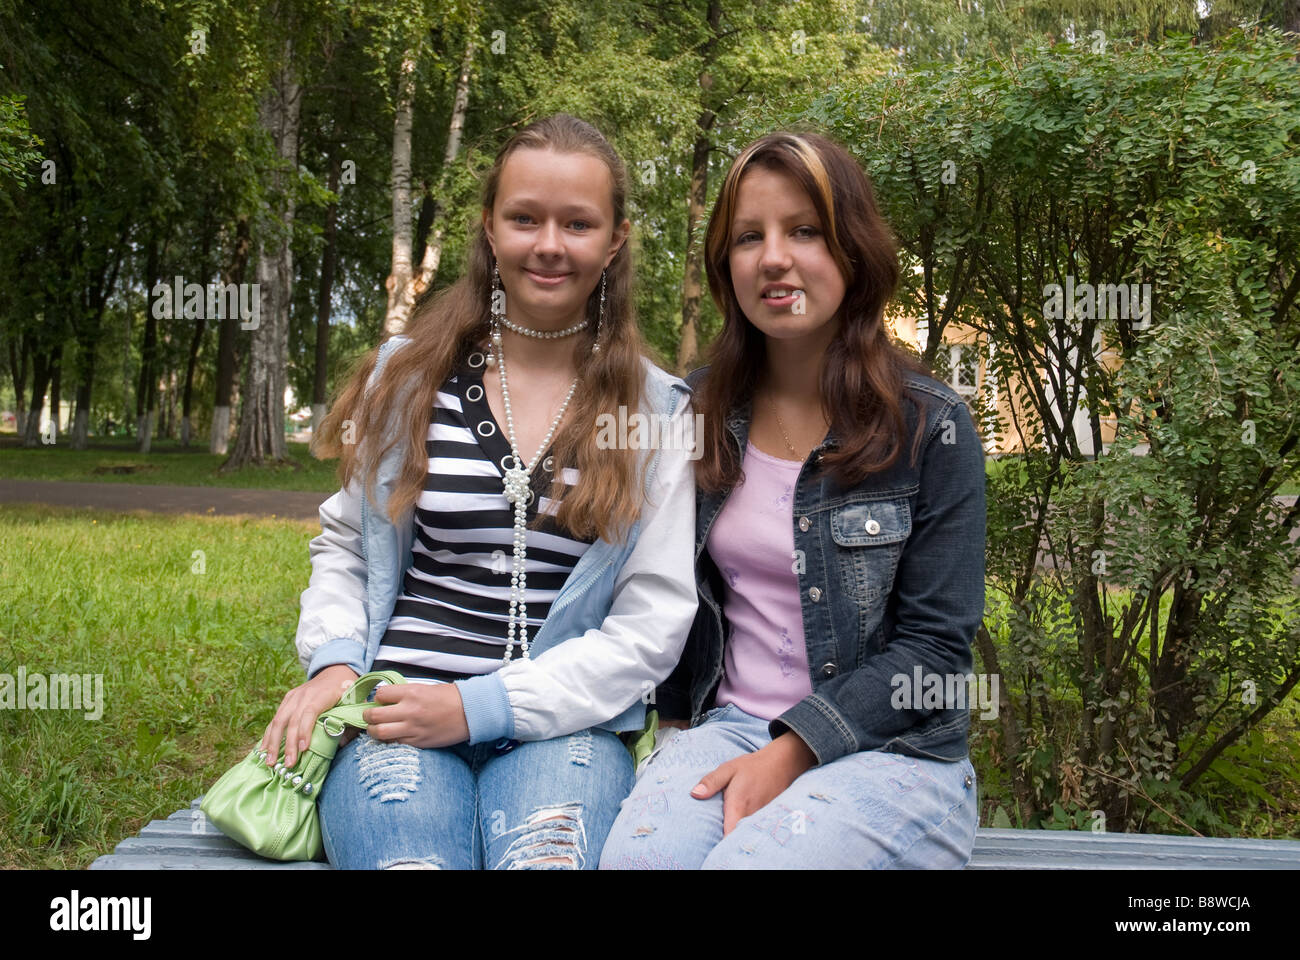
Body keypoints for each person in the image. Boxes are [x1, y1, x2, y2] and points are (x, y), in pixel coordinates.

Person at [260, 114, 698, 870]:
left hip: (567, 731)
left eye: (578, 223)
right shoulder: (407, 380)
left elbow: (651, 624)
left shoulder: (656, 412)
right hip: (396, 707)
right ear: (489, 229)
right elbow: (347, 546)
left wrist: (477, 708)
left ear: (616, 239)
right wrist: (334, 660)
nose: (549, 245)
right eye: (524, 217)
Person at [600, 130, 986, 870]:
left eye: (804, 230)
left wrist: (795, 748)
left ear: (851, 249)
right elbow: (671, 594)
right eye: (750, 237)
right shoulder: (701, 412)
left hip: (896, 756)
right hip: (731, 727)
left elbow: (935, 656)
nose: (774, 257)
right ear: (727, 266)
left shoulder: (931, 428)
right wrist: (675, 734)